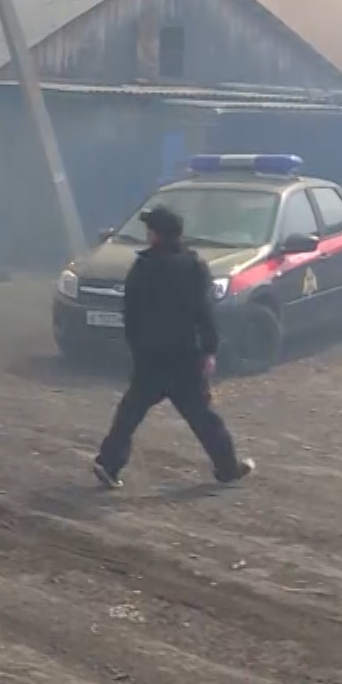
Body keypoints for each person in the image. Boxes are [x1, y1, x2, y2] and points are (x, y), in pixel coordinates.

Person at [92, 205, 255, 489]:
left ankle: (108, 464)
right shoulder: (193, 267)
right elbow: (203, 312)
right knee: (203, 417)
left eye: (150, 229)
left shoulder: (142, 267)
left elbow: (130, 314)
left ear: (157, 235)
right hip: (185, 358)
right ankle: (227, 467)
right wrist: (209, 350)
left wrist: (136, 348)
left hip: (151, 357)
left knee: (130, 413)